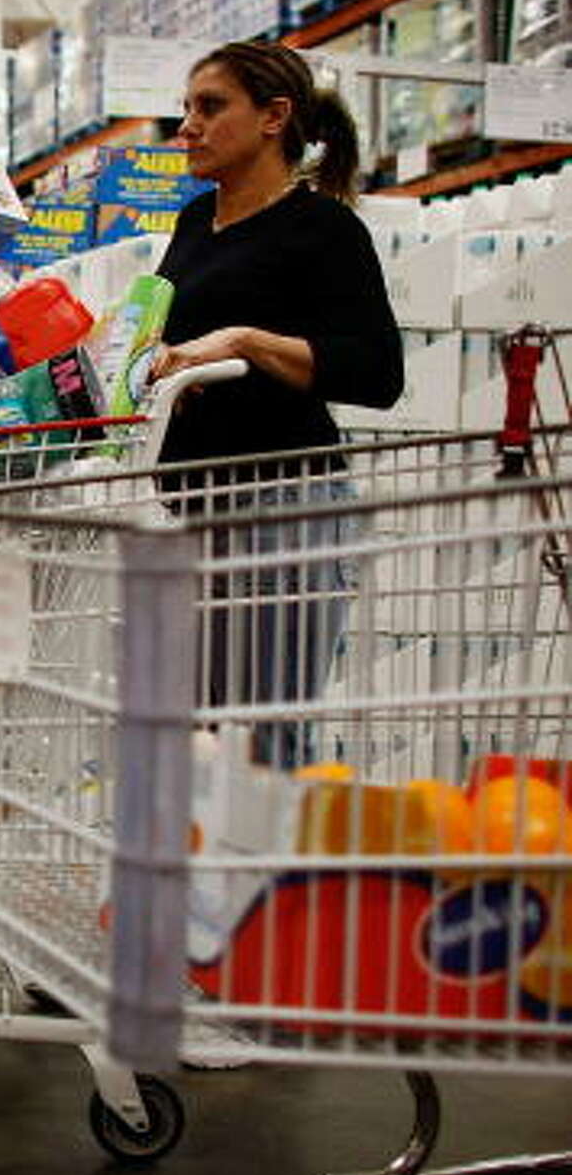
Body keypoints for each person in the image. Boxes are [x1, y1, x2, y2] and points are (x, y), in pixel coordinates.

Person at [147, 40, 404, 767]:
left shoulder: (323, 229)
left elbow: (377, 372)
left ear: (274, 116)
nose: (188, 127)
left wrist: (247, 343)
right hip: (192, 510)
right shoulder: (194, 222)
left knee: (264, 746)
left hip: (282, 509)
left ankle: (273, 849)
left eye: (210, 107)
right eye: (186, 109)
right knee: (198, 749)